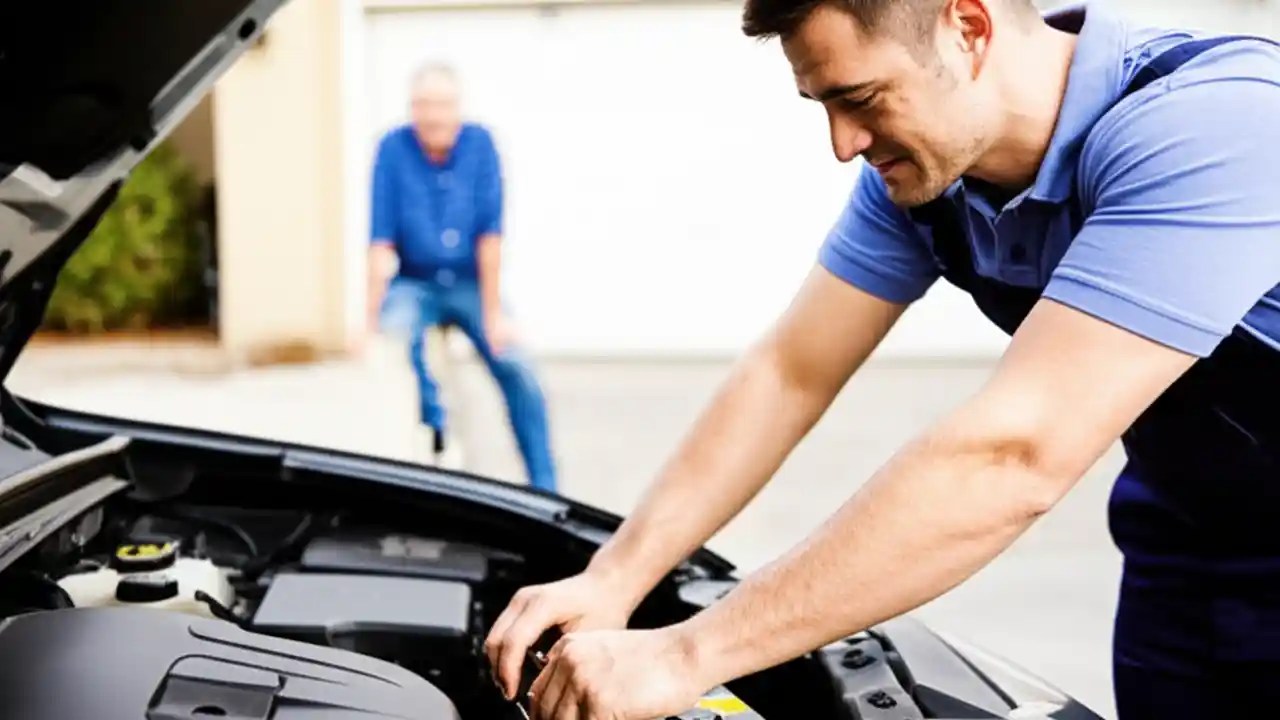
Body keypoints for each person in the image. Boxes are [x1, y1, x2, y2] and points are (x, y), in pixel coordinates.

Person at [481, 1, 1280, 717]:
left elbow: (1013, 455)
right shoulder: (930, 177)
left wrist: (687, 655)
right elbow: (789, 373)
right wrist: (616, 577)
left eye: (861, 99)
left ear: (968, 28)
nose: (843, 144)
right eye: (823, 106)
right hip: (1185, 544)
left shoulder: (1216, 126)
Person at [365, 62, 558, 493]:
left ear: (458, 107)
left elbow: (491, 237)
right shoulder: (392, 149)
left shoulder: (480, 144)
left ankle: (545, 486)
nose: (434, 116)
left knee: (516, 365)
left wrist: (494, 317)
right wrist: (367, 322)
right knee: (394, 346)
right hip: (414, 282)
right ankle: (436, 431)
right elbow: (379, 243)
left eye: (443, 105)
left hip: (471, 281)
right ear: (412, 109)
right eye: (424, 105)